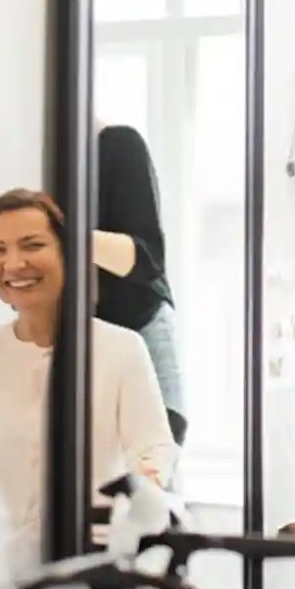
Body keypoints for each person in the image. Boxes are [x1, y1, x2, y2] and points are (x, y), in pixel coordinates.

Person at [0, 188, 177, 578]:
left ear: (68, 255)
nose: (14, 263)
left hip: (95, 565)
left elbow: (153, 449)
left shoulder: (120, 348)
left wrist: (135, 502)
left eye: (32, 245)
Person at [92, 124, 187, 447]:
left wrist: (68, 236)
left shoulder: (118, 146)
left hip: (141, 334)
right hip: (86, 354)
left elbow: (147, 258)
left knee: (150, 487)